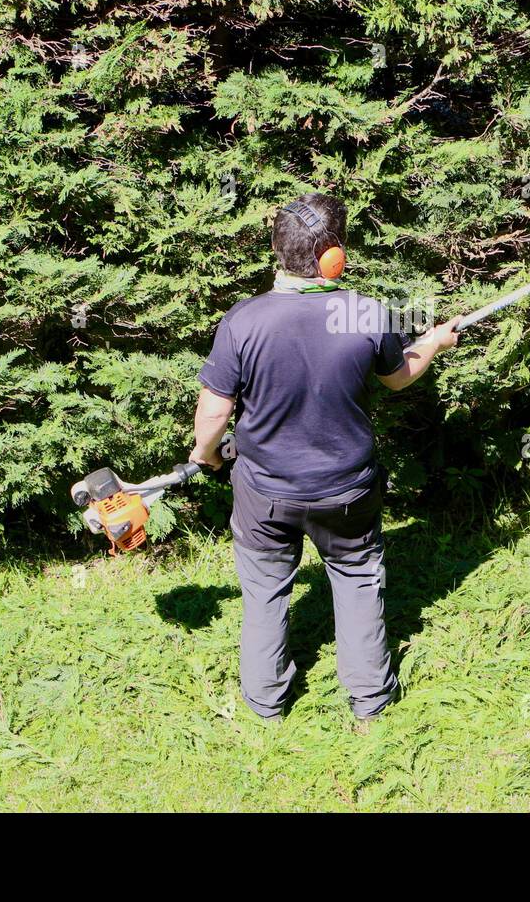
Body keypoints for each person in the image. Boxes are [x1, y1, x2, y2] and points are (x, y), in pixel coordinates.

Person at [190, 193, 461, 721]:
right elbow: (399, 375)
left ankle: (266, 706)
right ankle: (371, 702)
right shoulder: (364, 312)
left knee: (265, 590)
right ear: (333, 257)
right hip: (348, 489)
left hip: (266, 492)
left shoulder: (243, 322)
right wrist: (432, 344)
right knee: (358, 579)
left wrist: (208, 456)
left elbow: (212, 414)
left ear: (277, 249)